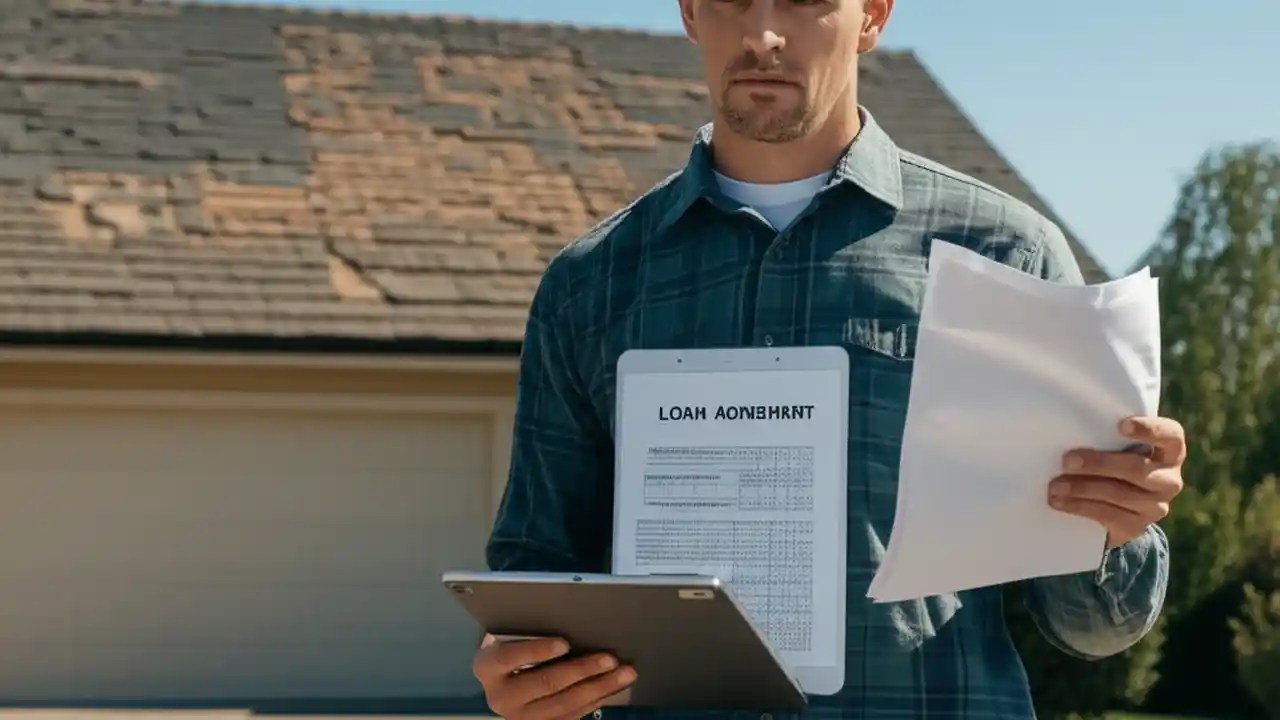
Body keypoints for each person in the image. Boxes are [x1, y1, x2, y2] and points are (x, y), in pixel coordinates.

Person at [472, 1, 1186, 719]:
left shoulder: (1004, 257)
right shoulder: (589, 283)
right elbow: (537, 572)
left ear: (873, 16)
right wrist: (521, 668)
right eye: (731, 2)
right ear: (691, 12)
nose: (762, 36)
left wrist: (1112, 526)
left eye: (806, 2)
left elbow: (1096, 630)